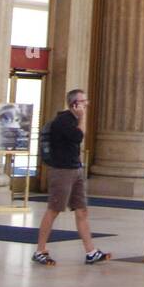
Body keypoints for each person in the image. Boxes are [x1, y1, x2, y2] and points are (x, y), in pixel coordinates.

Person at [32, 89, 110, 266]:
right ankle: (40, 250)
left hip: (75, 169)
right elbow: (78, 137)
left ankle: (91, 251)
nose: (86, 105)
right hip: (62, 171)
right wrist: (82, 118)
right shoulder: (63, 121)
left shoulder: (73, 120)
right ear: (75, 104)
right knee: (54, 209)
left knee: (81, 210)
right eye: (83, 102)